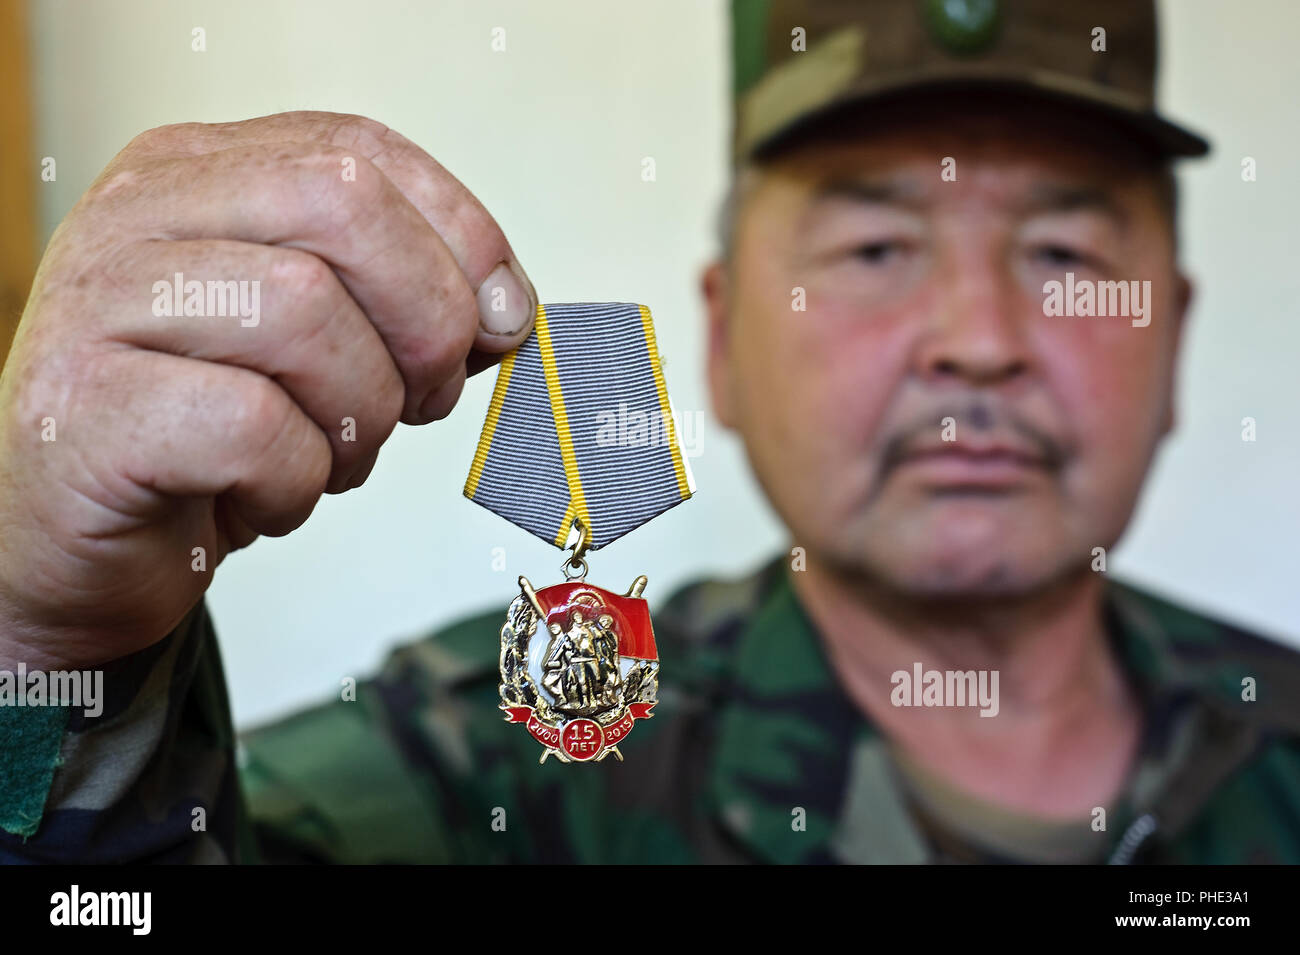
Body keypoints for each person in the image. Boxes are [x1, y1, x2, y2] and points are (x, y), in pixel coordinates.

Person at [2, 0, 1298, 864]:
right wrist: (40, 650)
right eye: (875, 244)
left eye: (1065, 251)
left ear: (1172, 335)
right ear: (725, 344)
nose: (977, 336)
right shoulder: (493, 765)